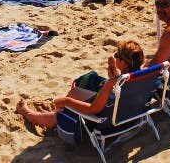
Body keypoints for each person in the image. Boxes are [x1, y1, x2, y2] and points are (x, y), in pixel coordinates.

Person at [16, 40, 145, 129]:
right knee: (76, 92)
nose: (115, 57)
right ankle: (56, 111)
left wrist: (66, 101)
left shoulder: (112, 84)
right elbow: (121, 83)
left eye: (117, 56)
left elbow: (93, 109)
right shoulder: (142, 76)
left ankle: (32, 115)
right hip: (127, 115)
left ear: (124, 63)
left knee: (62, 110)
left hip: (103, 121)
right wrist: (115, 74)